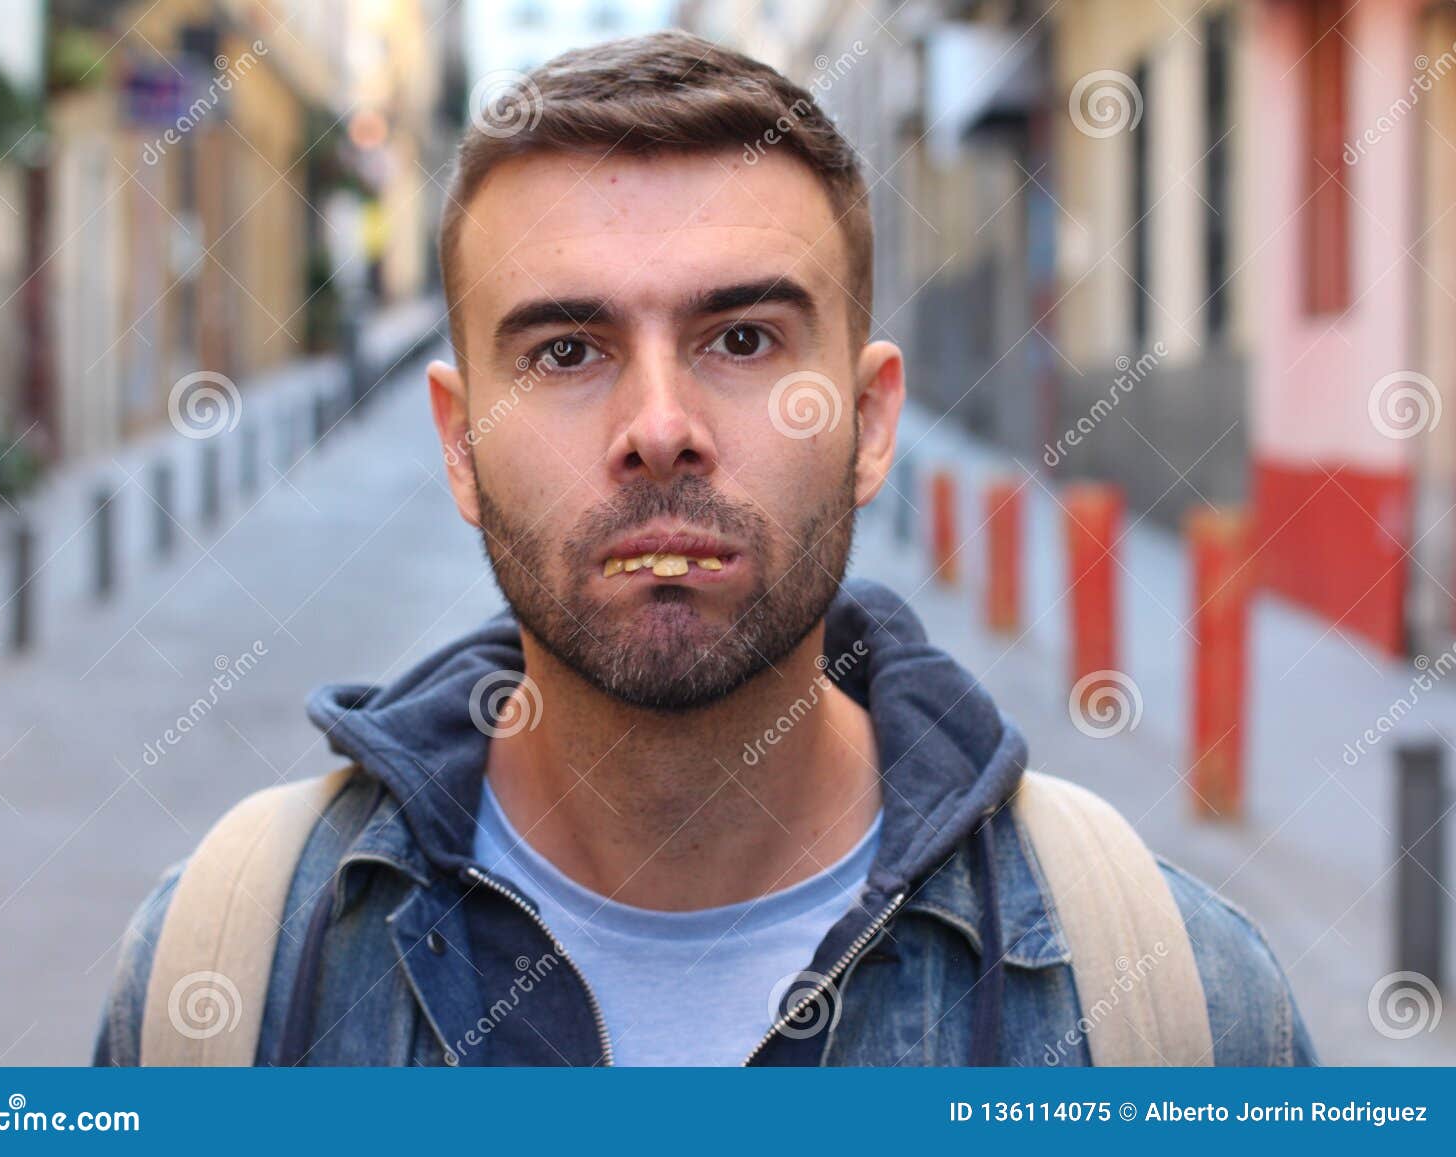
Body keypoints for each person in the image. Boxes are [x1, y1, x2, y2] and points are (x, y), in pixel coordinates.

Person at [95, 31, 1316, 1067]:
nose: (661, 431)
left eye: (741, 339)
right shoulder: (230, 985)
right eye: (566, 352)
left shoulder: (1169, 1008)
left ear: (870, 421)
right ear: (459, 445)